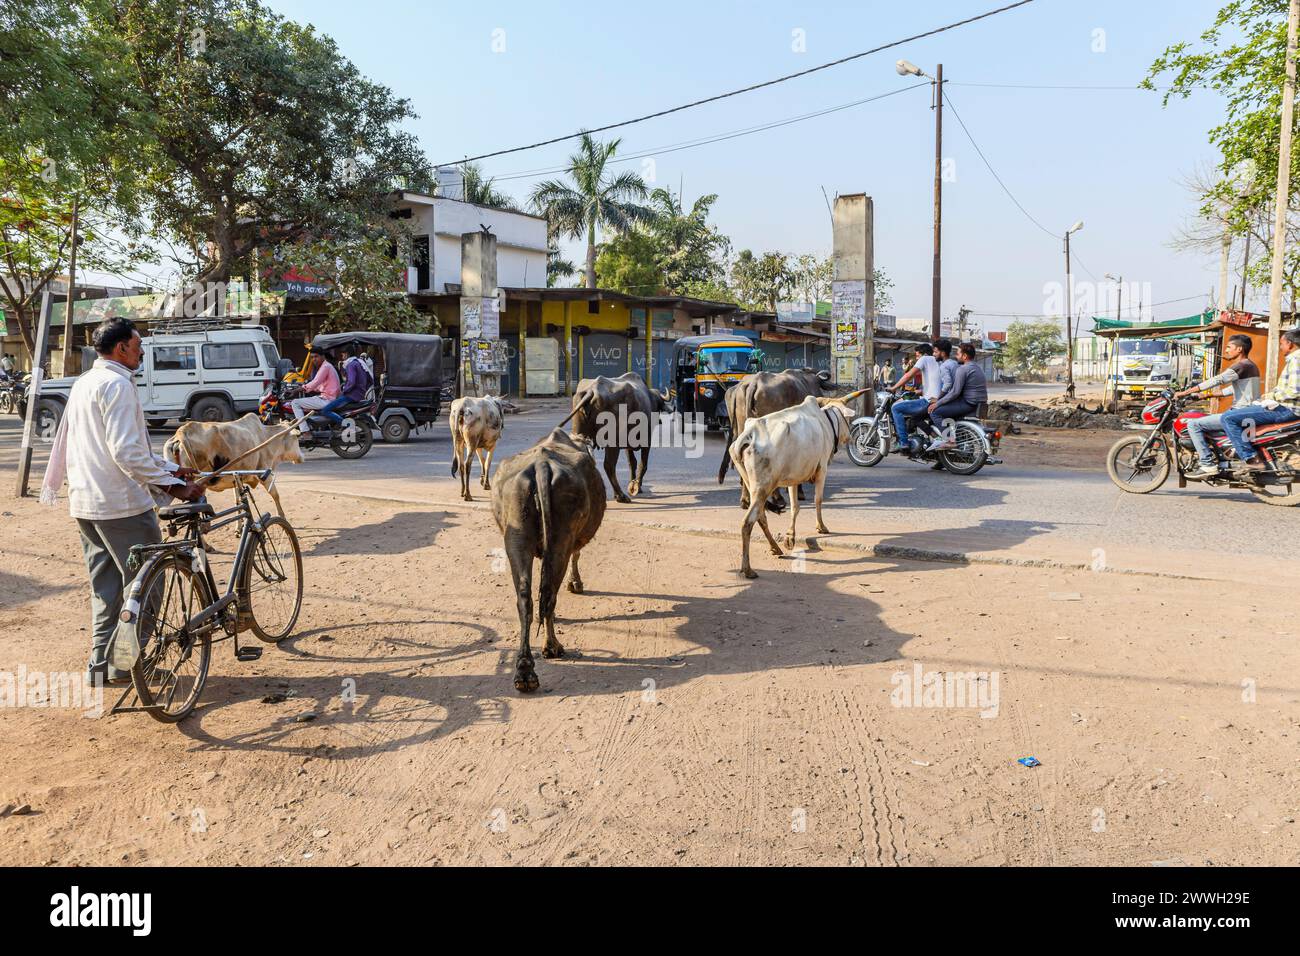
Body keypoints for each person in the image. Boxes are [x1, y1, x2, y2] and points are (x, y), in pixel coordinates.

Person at [50, 318, 203, 686]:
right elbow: (126, 453)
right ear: (121, 349)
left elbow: (117, 449)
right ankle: (126, 666)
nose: (142, 352)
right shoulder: (117, 386)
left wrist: (170, 470)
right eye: (137, 345)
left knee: (107, 591)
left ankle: (100, 667)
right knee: (147, 588)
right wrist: (175, 488)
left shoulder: (86, 382)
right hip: (120, 507)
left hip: (87, 503)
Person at [1174, 334, 1260, 480]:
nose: (1226, 350)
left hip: (1240, 412)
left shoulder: (1241, 366)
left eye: (1229, 347)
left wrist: (1185, 392)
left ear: (1239, 349)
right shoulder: (1251, 365)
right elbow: (1235, 389)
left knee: (1194, 424)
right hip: (1248, 411)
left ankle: (1207, 464)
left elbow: (1216, 380)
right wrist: (1207, 396)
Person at [1221, 328, 1300, 471]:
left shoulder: (1296, 359)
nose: (1281, 347)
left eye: (1282, 344)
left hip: (1287, 409)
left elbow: (1294, 390)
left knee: (1228, 418)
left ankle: (1251, 458)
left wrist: (1272, 397)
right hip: (1286, 407)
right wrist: (1268, 396)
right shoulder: (1294, 359)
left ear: (1290, 344)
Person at [927, 343, 988, 451]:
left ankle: (950, 441)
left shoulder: (963, 369)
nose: (956, 356)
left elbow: (955, 392)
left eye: (958, 354)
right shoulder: (977, 367)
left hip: (968, 403)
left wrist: (937, 403)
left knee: (934, 412)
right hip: (979, 403)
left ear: (965, 356)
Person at [888, 342, 941, 454]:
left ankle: (903, 442)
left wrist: (894, 388)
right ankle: (935, 439)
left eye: (917, 356)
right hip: (939, 398)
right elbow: (935, 382)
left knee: (896, 408)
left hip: (928, 400)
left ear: (923, 354)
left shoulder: (925, 359)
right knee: (916, 418)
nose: (916, 359)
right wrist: (920, 391)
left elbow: (908, 375)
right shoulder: (939, 361)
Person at [318, 343, 373, 424]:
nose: (342, 356)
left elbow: (351, 382)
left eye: (342, 354)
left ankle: (346, 425)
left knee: (325, 410)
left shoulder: (351, 365)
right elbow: (369, 381)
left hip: (350, 396)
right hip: (359, 395)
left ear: (346, 354)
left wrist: (343, 392)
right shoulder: (359, 363)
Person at [290, 349, 340, 426]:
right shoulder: (326, 366)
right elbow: (318, 386)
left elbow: (315, 382)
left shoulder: (325, 367)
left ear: (323, 356)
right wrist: (305, 387)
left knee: (295, 403)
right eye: (312, 357)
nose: (314, 359)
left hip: (327, 399)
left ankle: (305, 432)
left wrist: (297, 390)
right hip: (328, 397)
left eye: (316, 357)